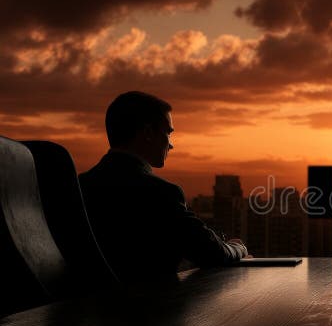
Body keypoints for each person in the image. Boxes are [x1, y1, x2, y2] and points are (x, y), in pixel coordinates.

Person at [80, 91, 247, 285]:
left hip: (88, 310)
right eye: (168, 132)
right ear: (148, 133)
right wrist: (237, 248)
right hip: (147, 310)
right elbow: (212, 253)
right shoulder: (161, 193)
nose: (171, 144)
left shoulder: (79, 186)